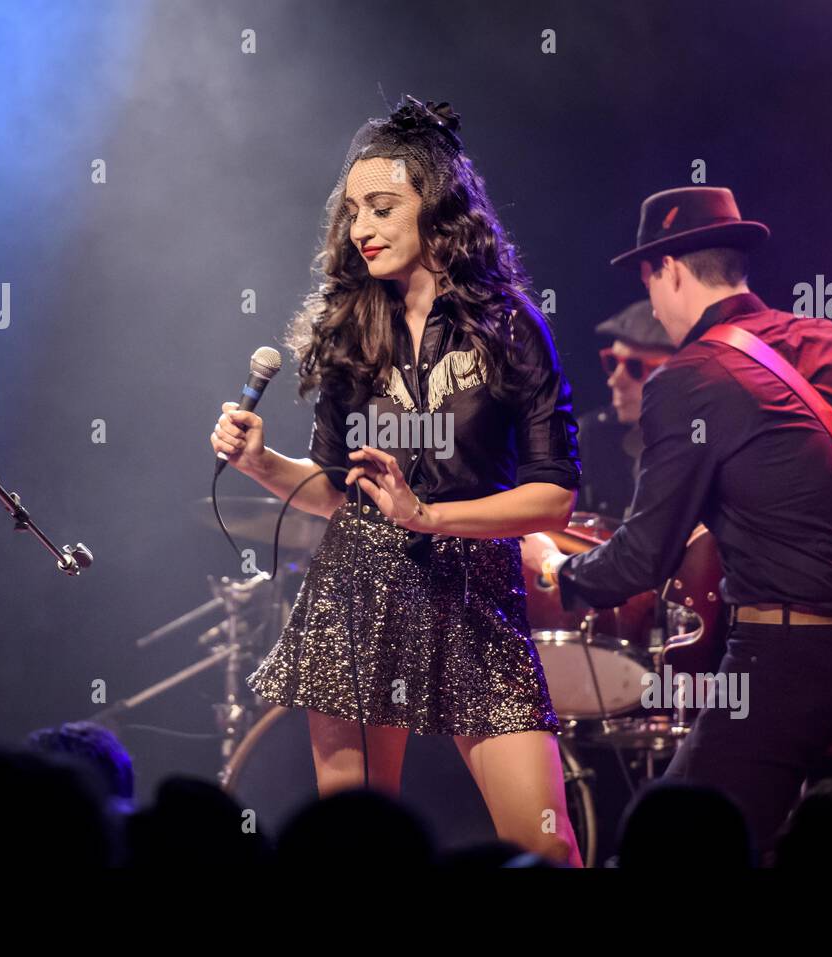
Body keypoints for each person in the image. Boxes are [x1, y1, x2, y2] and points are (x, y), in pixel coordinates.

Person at [209, 96, 584, 865]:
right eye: (352, 212)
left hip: (477, 592)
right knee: (357, 854)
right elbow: (333, 491)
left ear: (438, 210)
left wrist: (429, 516)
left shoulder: (510, 326)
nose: (361, 229)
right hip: (359, 591)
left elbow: (554, 494)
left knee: (549, 849)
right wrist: (260, 461)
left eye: (381, 208)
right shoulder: (349, 327)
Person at [523, 186, 832, 854]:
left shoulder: (689, 378)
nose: (651, 301)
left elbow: (642, 557)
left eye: (648, 279)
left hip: (783, 658)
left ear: (672, 270)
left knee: (674, 842)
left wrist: (556, 570)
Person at [576, 300, 673, 520]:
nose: (615, 381)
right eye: (612, 361)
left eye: (634, 367)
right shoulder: (591, 433)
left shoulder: (704, 445)